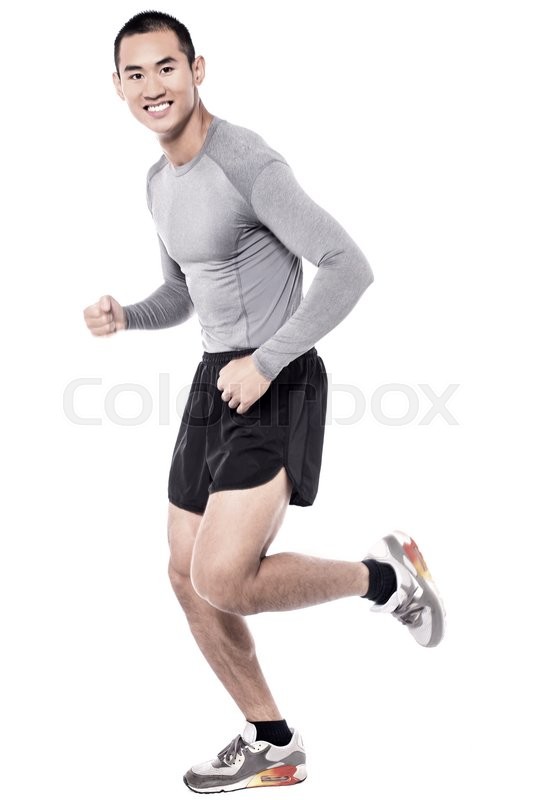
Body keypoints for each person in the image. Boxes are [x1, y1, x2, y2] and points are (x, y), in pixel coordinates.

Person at [83, 10, 446, 793]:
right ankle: (271, 739)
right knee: (183, 575)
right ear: (117, 88)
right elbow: (182, 292)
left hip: (276, 381)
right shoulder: (158, 180)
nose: (152, 86)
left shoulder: (247, 160)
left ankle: (386, 582)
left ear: (197, 69)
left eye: (166, 67)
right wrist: (129, 317)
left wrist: (267, 360)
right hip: (214, 382)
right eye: (135, 74)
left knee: (224, 575)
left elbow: (349, 265)